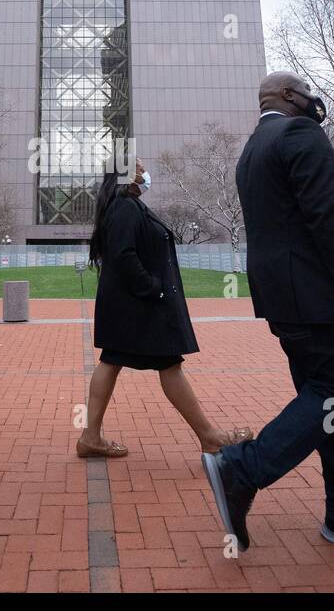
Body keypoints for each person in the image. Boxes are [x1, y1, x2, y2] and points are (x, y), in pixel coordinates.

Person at [201, 72, 334, 551]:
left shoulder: (253, 147)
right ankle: (243, 467)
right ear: (289, 97)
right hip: (318, 298)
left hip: (283, 300)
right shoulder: (300, 133)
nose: (315, 99)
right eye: (307, 91)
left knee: (324, 402)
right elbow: (330, 217)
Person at [77, 157, 252, 458]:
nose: (145, 173)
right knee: (167, 364)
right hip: (139, 307)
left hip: (130, 307)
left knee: (117, 361)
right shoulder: (125, 207)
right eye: (140, 167)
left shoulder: (124, 205)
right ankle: (210, 437)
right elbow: (123, 256)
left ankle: (91, 437)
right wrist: (154, 289)